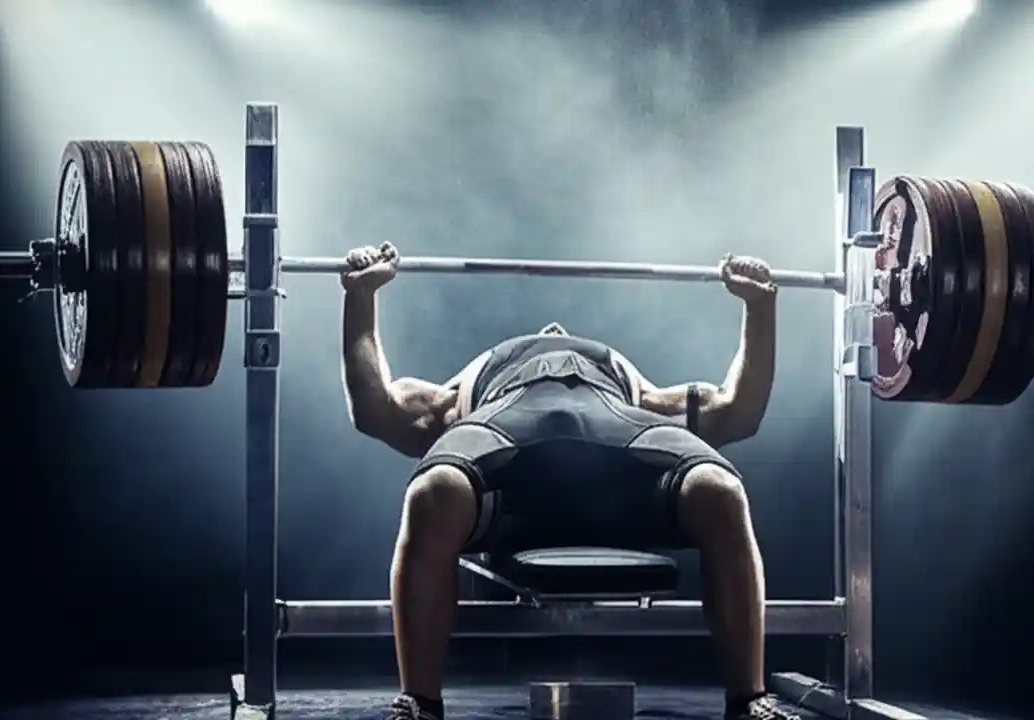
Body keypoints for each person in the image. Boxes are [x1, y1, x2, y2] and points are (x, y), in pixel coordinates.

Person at [340, 242, 798, 720]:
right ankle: (420, 704)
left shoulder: (635, 390)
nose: (554, 330)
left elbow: (738, 412)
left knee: (718, 491)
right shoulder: (462, 391)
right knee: (433, 493)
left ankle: (748, 701)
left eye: (560, 333)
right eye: (544, 333)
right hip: (502, 455)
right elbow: (376, 409)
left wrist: (760, 306)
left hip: (617, 450)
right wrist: (361, 296)